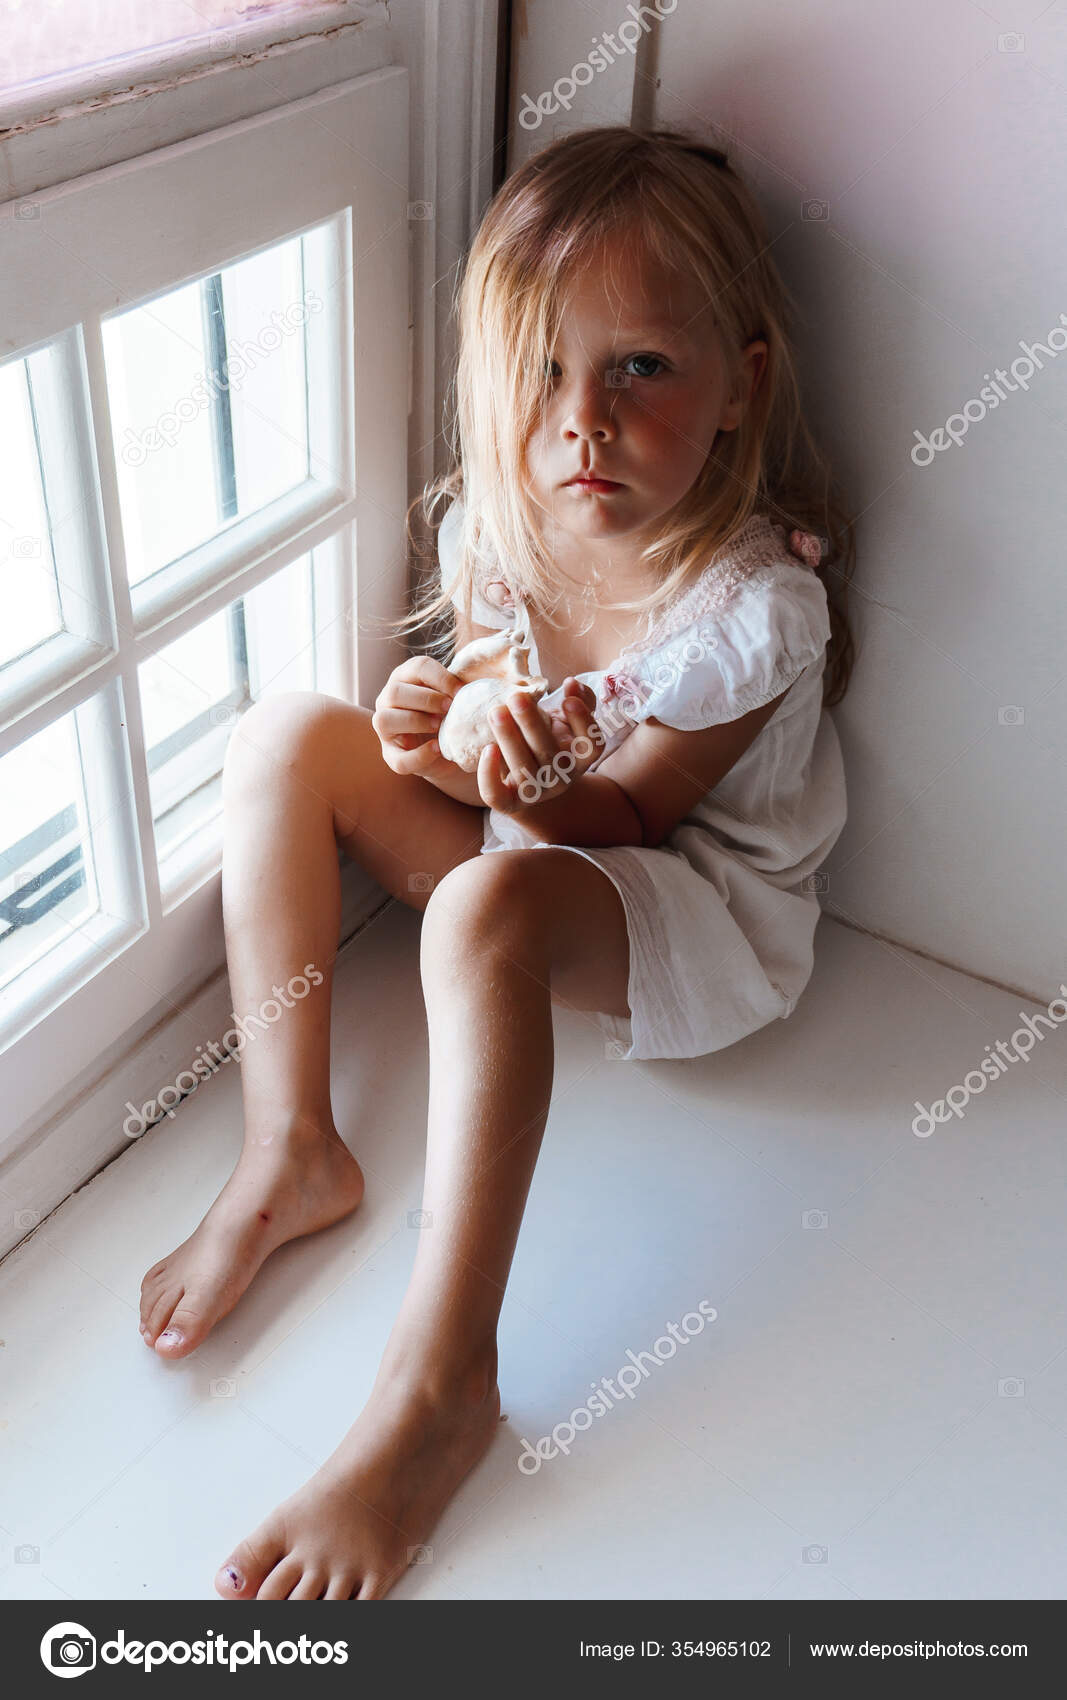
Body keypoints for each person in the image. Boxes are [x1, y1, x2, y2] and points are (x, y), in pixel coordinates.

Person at [138, 124, 855, 1602]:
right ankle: (294, 1147)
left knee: (479, 906)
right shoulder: (509, 519)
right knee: (286, 737)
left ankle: (439, 1390)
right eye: (541, 373)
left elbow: (631, 818)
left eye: (638, 369)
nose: (579, 423)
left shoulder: (756, 612)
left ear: (744, 382)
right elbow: (476, 687)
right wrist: (431, 723)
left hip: (693, 918)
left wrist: (494, 769)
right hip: (532, 842)